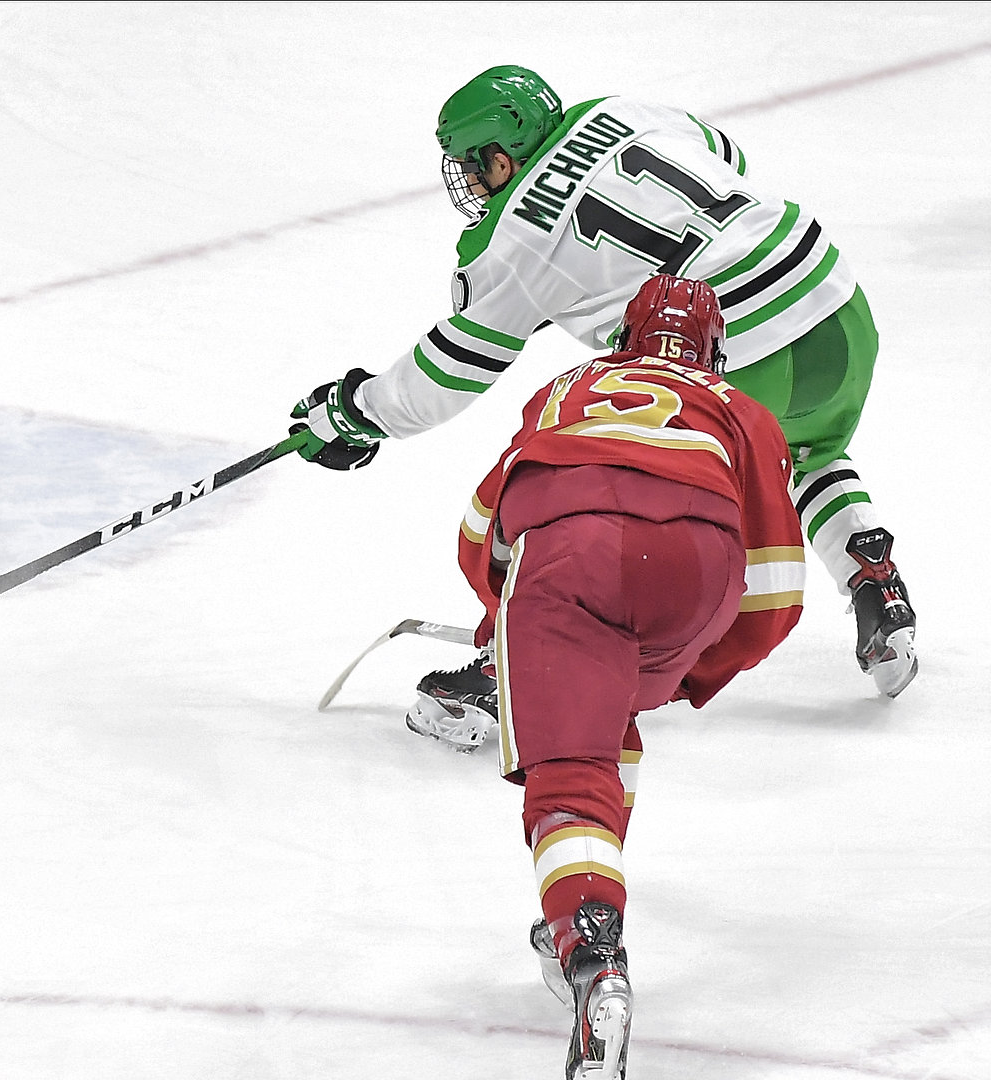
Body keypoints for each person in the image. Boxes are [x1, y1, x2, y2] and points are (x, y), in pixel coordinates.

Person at [287, 66, 916, 712]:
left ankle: (527, 658)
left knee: (602, 486)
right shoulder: (620, 109)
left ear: (501, 159)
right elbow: (727, 154)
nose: (470, 183)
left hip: (726, 356)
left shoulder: (510, 240)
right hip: (834, 299)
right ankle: (873, 576)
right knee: (807, 451)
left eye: (473, 166)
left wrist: (357, 411)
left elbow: (450, 372)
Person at [443, 275, 803, 1078]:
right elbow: (775, 594)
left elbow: (482, 525)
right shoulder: (741, 409)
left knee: (570, 774)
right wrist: (693, 669)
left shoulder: (568, 385)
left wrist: (505, 624)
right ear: (714, 352)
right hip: (697, 570)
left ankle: (591, 943)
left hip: (569, 554)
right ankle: (588, 886)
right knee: (611, 718)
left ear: (622, 338)